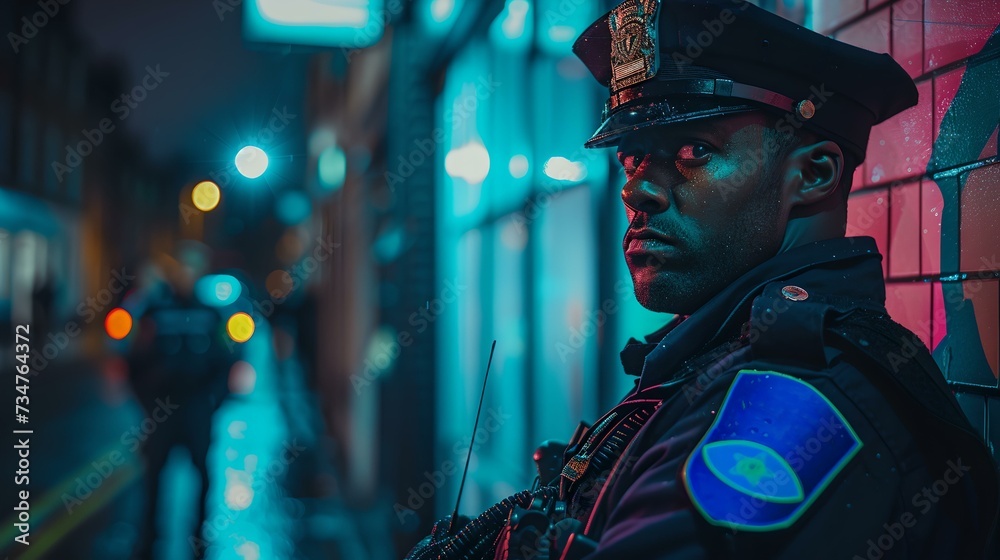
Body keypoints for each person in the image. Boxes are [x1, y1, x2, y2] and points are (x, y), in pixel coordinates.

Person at [406, 1, 1000, 558]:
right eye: (632, 157)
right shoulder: (716, 355)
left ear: (815, 173)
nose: (636, 189)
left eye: (693, 150)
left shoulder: (796, 410)